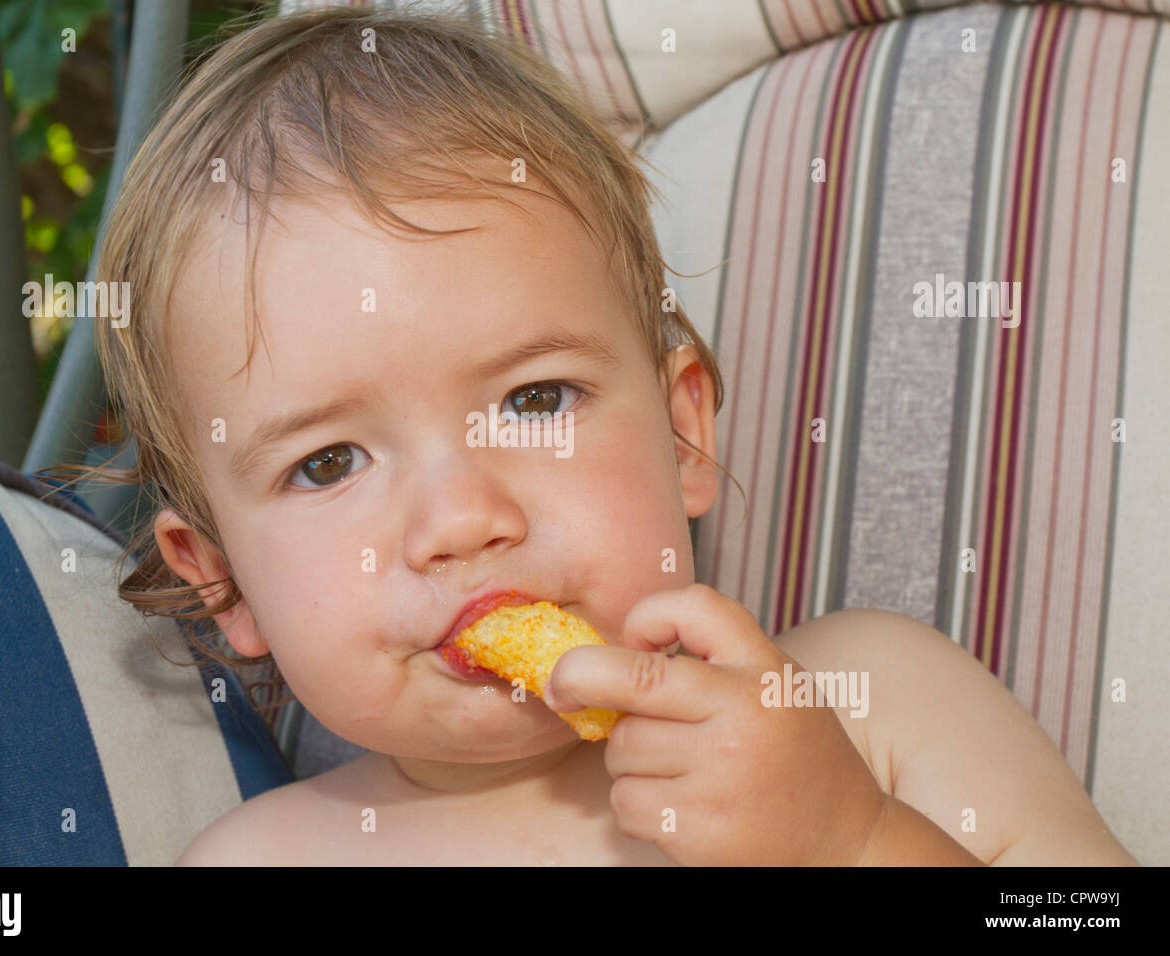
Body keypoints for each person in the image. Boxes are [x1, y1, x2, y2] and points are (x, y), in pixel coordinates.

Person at [85, 5, 1136, 865]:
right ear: (220, 581)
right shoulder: (263, 857)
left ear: (682, 431)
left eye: (536, 399)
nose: (461, 518)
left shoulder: (874, 700)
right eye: (328, 462)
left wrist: (851, 838)